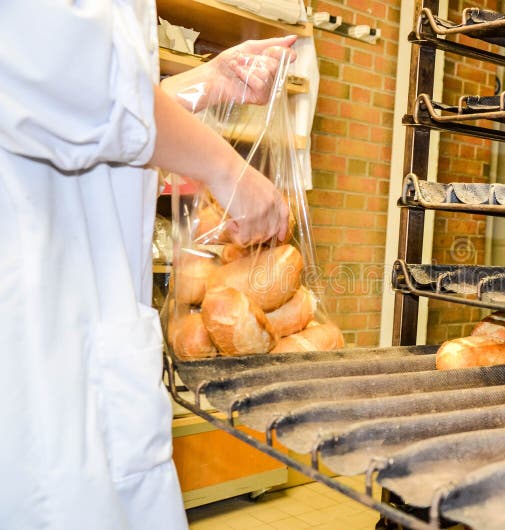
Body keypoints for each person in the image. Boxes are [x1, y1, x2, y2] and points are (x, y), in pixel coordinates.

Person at [0, 2, 294, 528]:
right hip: (39, 317)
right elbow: (70, 81)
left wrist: (208, 81)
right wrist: (226, 168)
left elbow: (83, 100)